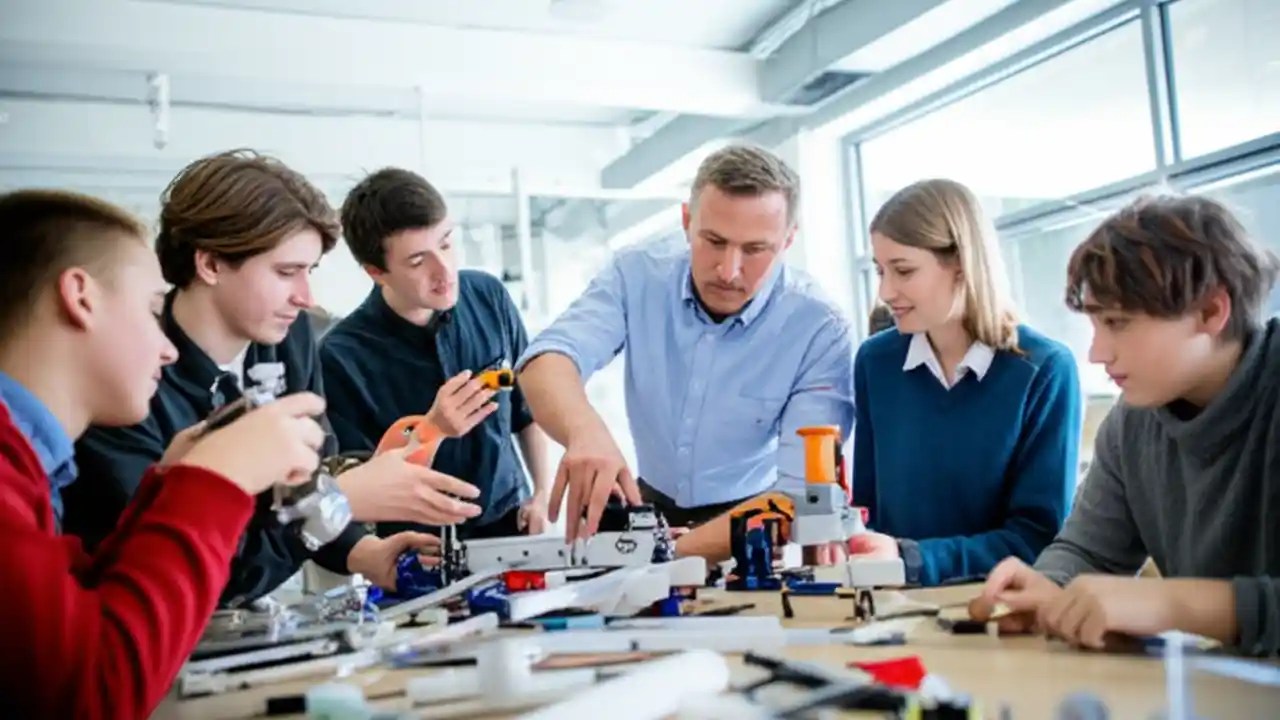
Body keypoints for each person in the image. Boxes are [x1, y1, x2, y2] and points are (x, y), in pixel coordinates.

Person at [65, 150, 479, 606]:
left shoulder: (288, 335)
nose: (306, 297)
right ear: (210, 265)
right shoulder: (127, 382)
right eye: (286, 272)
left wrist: (363, 550)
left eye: (309, 271)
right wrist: (336, 503)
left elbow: (310, 476)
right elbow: (199, 575)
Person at [0, 189, 329, 718]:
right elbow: (89, 695)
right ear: (81, 297)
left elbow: (76, 626)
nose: (167, 347)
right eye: (153, 311)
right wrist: (212, 483)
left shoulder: (29, 470)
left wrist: (167, 489)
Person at [670, 179, 1081, 577]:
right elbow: (868, 513)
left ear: (961, 265)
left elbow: (1037, 540)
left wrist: (911, 558)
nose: (885, 291)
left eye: (903, 271)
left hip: (994, 607)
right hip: (886, 595)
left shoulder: (1044, 371)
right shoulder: (877, 362)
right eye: (880, 270)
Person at [970, 194, 1280, 657]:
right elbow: (1089, 553)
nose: (1097, 353)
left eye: (1118, 322)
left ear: (1213, 312)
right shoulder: (1132, 422)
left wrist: (1173, 604)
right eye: (1095, 324)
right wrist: (1046, 589)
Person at [516, 143, 856, 541]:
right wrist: (584, 430)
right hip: (651, 504)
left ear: (787, 240)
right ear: (685, 221)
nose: (728, 271)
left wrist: (677, 555)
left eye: (755, 249)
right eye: (713, 241)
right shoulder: (637, 274)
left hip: (757, 519)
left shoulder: (819, 327)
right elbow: (545, 361)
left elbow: (801, 493)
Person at [321, 167, 552, 540]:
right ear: (376, 272)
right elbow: (360, 488)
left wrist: (541, 493)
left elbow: (527, 407)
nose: (444, 271)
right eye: (417, 261)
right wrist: (432, 432)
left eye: (446, 244)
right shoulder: (340, 359)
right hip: (418, 549)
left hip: (513, 524)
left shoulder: (488, 296)